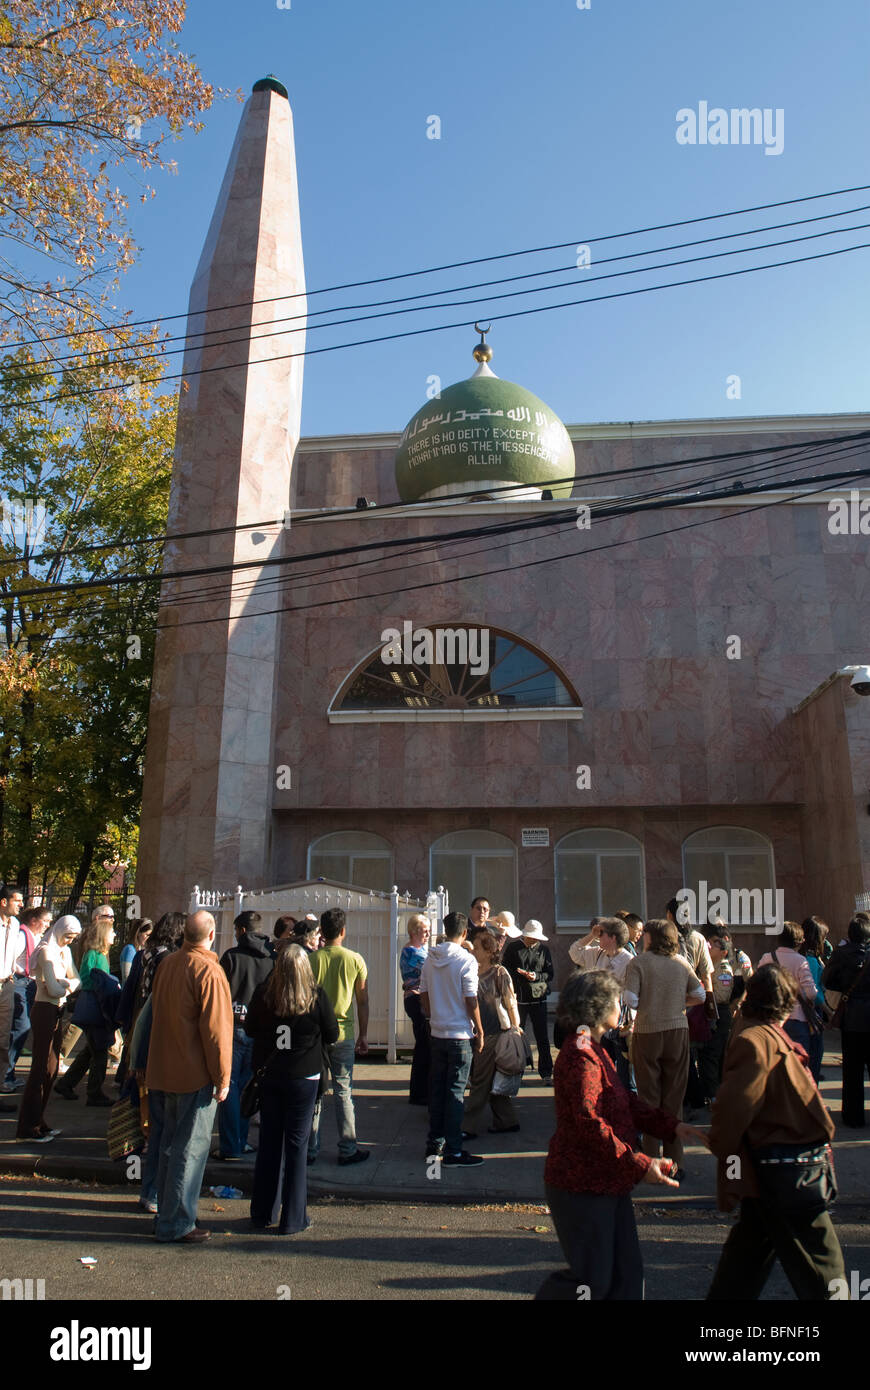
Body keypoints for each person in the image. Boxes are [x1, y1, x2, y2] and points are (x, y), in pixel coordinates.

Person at [539, 971, 706, 1300]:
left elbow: (623, 1100)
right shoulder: (581, 1055)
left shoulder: (596, 1048)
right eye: (617, 1000)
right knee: (591, 1281)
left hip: (607, 1181)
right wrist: (640, 1163)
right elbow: (588, 1121)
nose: (623, 1006)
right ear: (599, 1008)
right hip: (581, 1185)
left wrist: (671, 1126)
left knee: (626, 1278)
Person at [705, 964, 845, 1301]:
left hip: (772, 1169)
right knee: (822, 1266)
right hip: (785, 1170)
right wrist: (721, 1142)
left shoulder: (757, 1033)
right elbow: (736, 1106)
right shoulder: (758, 1039)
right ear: (784, 1003)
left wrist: (724, 1145)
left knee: (745, 1261)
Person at [145, 910, 233, 1244]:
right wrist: (222, 1077)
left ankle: (165, 1213)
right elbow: (216, 1032)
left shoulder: (168, 964)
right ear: (212, 935)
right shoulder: (209, 970)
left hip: (164, 1069)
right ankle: (177, 1222)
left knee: (168, 1145)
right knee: (189, 1149)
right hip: (194, 1074)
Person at [245, 943, 338, 1234]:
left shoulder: (264, 994)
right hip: (303, 1076)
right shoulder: (315, 996)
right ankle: (294, 1217)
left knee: (269, 1143)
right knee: (297, 1145)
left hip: (271, 1074)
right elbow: (333, 1033)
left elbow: (249, 1029)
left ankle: (262, 1211)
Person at [623, 919, 706, 1178]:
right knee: (673, 1098)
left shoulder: (639, 963)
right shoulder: (681, 963)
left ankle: (650, 1161)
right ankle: (675, 1162)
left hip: (648, 1031)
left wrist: (653, 1000)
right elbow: (701, 995)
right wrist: (677, 1001)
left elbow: (631, 999)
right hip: (678, 1031)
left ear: (650, 937)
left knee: (648, 1098)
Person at [420, 910, 484, 1167]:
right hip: (459, 1033)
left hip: (438, 1031)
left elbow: (422, 993)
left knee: (437, 1091)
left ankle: (434, 1145)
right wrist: (479, 1029)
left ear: (445, 930)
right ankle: (454, 1151)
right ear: (465, 932)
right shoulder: (466, 961)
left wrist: (432, 1014)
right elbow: (471, 999)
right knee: (455, 1092)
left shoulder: (430, 958)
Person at [308, 908, 370, 1166]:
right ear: (343, 931)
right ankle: (347, 1147)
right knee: (344, 1091)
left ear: (321, 931)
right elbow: (362, 1001)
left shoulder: (311, 960)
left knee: (315, 1093)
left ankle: (309, 1150)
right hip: (343, 1033)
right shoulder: (355, 959)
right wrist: (364, 1035)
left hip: (316, 1035)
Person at [16, 916, 82, 1142]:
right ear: (60, 931)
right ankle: (27, 1127)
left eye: (73, 938)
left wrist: (64, 984)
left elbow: (76, 980)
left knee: (51, 1070)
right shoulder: (47, 950)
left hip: (56, 1011)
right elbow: (53, 989)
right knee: (39, 1070)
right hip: (44, 1009)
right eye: (68, 937)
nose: (70, 941)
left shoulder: (64, 952)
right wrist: (65, 985)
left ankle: (39, 1122)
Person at [217, 910, 274, 1160]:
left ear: (241, 930)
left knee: (228, 1086)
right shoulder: (272, 957)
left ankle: (231, 1145)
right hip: (259, 1029)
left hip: (233, 1025)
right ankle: (242, 1141)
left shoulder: (231, 957)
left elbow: (220, 993)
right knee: (249, 1086)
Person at [55, 916, 119, 1106]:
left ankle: (66, 1083)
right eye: (111, 931)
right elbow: (91, 980)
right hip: (94, 1007)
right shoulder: (93, 955)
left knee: (91, 1050)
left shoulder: (99, 954)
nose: (114, 934)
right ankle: (94, 1093)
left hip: (95, 1006)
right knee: (99, 1051)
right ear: (103, 935)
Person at [463, 927, 521, 1135]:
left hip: (494, 1034)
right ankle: (507, 1121)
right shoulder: (471, 970)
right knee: (494, 1080)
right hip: (478, 1033)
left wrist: (515, 1027)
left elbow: (510, 1001)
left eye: (477, 947)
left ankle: (466, 1127)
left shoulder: (499, 972)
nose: (473, 950)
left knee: (480, 1081)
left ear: (489, 951)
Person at [821, 912, 870, 1127]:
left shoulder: (841, 954)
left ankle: (853, 1116)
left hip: (851, 1017)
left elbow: (827, 980)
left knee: (852, 1069)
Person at [501, 920, 554, 1081]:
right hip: (519, 999)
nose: (534, 940)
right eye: (532, 937)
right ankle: (517, 1071)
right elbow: (505, 969)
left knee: (542, 1037)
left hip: (539, 998)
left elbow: (549, 973)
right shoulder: (513, 948)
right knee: (517, 1036)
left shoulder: (544, 950)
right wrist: (520, 975)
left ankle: (546, 1072)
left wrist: (536, 976)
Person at [3, 903, 47, 1091]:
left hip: (29, 984)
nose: (47, 924)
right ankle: (6, 1074)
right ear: (33, 921)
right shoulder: (22, 936)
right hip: (20, 982)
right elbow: (12, 958)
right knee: (20, 1027)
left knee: (21, 1028)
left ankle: (9, 1074)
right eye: (45, 921)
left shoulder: (36, 937)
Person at [757, 922, 818, 1055]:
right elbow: (811, 993)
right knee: (798, 1062)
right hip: (797, 1018)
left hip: (770, 1018)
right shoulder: (801, 961)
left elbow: (756, 984)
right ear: (799, 942)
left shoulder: (767, 958)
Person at [400, 913, 430, 1106]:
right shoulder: (413, 952)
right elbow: (429, 967)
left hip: (416, 997)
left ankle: (419, 1091)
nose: (427, 933)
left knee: (423, 1045)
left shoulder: (417, 949)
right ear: (413, 931)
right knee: (423, 1046)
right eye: (423, 930)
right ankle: (419, 1093)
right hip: (416, 999)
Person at [0, 883, 25, 1104]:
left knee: (3, 1040)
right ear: (4, 902)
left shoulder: (16, 924)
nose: (21, 904)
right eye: (17, 900)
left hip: (7, 984)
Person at [799, 917, 829, 1083]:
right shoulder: (810, 960)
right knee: (814, 1056)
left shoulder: (802, 956)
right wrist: (829, 1011)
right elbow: (814, 993)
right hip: (811, 1013)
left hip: (800, 1013)